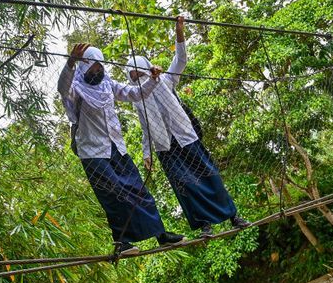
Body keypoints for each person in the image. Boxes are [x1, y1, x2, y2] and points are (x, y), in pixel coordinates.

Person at [126, 16, 250, 238]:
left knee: (209, 175)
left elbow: (181, 58)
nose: (138, 78)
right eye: (133, 76)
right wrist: (147, 153)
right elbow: (146, 126)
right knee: (186, 187)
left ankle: (233, 216)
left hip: (185, 137)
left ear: (147, 69)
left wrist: (179, 31)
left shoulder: (165, 80)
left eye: (140, 73)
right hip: (165, 147)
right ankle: (205, 226)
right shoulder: (137, 97)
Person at [58, 43, 185, 255]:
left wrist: (153, 79)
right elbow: (62, 87)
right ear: (83, 68)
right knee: (113, 193)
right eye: (93, 68)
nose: (97, 71)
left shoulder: (107, 84)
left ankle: (161, 235)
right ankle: (122, 242)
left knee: (138, 189)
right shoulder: (76, 88)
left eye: (100, 67)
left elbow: (135, 94)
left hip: (116, 147)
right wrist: (71, 62)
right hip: (92, 152)